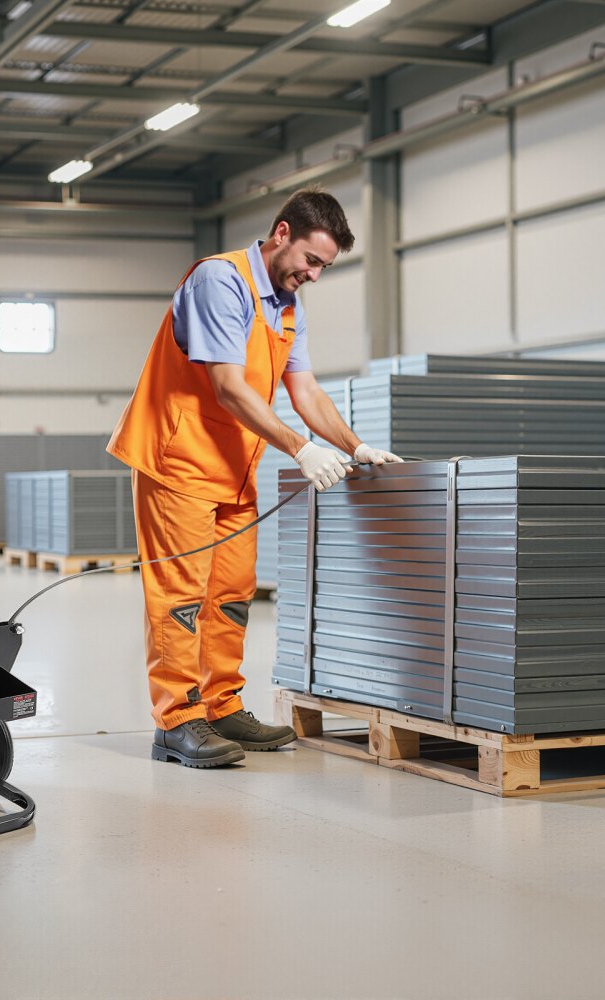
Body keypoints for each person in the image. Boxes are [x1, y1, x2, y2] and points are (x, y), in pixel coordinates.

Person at [107, 187, 403, 768]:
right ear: (282, 233)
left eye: (325, 267)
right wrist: (299, 449)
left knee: (231, 596)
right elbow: (228, 386)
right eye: (312, 261)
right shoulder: (219, 281)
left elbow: (306, 391)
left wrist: (356, 445)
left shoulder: (287, 305)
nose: (315, 275)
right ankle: (178, 720)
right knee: (180, 600)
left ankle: (221, 707)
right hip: (179, 464)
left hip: (233, 469)